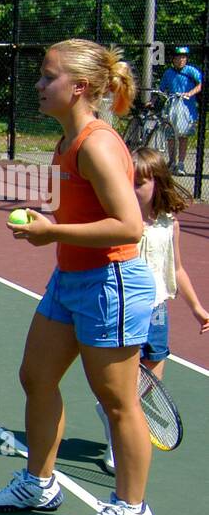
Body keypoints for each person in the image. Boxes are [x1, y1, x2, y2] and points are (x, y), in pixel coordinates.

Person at [0, 39, 157, 515]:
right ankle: (38, 483)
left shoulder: (97, 144)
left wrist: (52, 232)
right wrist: (51, 223)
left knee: (118, 400)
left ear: (79, 87)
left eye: (47, 77)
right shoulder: (66, 141)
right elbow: (84, 214)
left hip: (111, 282)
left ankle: (132, 509)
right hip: (70, 280)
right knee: (36, 376)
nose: (38, 85)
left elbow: (129, 227)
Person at [96, 147, 209, 472]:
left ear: (157, 184)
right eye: (128, 182)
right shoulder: (118, 222)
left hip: (157, 311)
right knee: (123, 387)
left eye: (140, 183)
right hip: (126, 309)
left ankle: (116, 418)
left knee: (150, 385)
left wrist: (197, 308)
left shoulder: (167, 223)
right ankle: (116, 442)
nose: (132, 190)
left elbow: (177, 270)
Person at [158, 45, 202, 175]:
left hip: (187, 107)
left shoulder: (191, 71)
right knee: (170, 135)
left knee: (183, 136)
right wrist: (154, 100)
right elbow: (162, 89)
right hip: (171, 105)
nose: (181, 60)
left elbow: (200, 84)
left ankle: (181, 164)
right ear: (173, 59)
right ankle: (172, 161)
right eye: (178, 57)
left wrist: (190, 93)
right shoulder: (168, 73)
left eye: (183, 57)